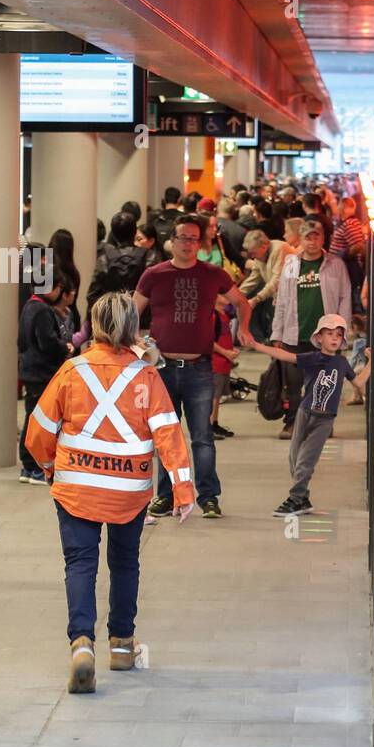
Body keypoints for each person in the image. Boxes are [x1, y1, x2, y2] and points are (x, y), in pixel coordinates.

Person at [25, 293, 194, 693]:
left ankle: (82, 643)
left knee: (80, 564)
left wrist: (51, 468)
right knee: (124, 563)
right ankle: (121, 645)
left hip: (76, 486)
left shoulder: (71, 371)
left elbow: (38, 430)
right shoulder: (147, 377)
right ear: (132, 327)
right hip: (128, 491)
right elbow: (168, 433)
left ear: (95, 324)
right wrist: (183, 489)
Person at [134, 214, 255, 519]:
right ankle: (164, 494)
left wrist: (245, 330)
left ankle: (209, 497)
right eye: (182, 238)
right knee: (165, 435)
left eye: (193, 238)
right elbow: (131, 313)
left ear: (200, 243)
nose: (187, 244)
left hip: (200, 369)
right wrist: (134, 347)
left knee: (202, 436)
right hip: (162, 368)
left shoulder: (213, 274)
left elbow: (242, 302)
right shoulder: (153, 275)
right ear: (171, 242)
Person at [248, 315, 367, 516]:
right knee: (294, 458)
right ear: (319, 337)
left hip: (325, 419)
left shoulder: (342, 362)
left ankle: (295, 499)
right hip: (304, 413)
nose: (334, 338)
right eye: (329, 334)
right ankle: (303, 499)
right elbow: (285, 356)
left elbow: (359, 383)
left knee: (306, 461)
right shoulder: (312, 358)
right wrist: (257, 346)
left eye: (339, 335)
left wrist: (371, 362)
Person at [270, 219, 352, 439]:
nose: (312, 241)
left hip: (325, 337)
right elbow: (282, 301)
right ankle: (292, 423)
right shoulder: (290, 264)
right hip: (294, 334)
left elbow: (345, 298)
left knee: (323, 384)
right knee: (294, 384)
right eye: (308, 236)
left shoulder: (335, 265)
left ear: (323, 239)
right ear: (301, 239)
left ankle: (322, 425)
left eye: (317, 236)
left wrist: (342, 330)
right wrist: (277, 334)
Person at [18, 272, 74, 483]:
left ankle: (27, 466)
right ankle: (37, 467)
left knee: (31, 416)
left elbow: (21, 341)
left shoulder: (29, 306)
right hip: (43, 371)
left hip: (29, 369)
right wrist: (65, 347)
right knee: (43, 420)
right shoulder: (42, 310)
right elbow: (47, 342)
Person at [210, 288, 239, 439]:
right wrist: (226, 352)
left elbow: (224, 337)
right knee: (213, 397)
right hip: (216, 363)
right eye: (222, 294)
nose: (227, 297)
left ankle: (214, 423)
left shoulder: (224, 315)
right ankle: (208, 426)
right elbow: (208, 341)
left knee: (218, 395)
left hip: (224, 363)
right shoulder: (213, 316)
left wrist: (231, 349)